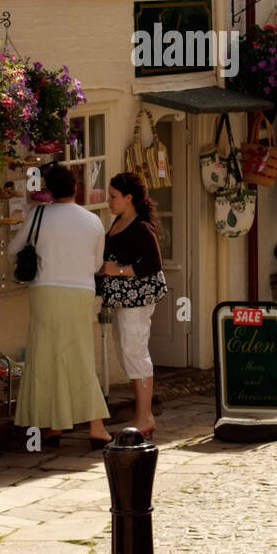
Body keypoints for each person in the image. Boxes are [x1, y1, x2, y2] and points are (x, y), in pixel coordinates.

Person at [8, 163, 111, 448]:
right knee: (79, 356)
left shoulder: (38, 215)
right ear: (76, 188)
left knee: (45, 356)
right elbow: (95, 264)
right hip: (79, 294)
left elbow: (13, 249)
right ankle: (96, 427)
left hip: (45, 292)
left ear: (49, 191)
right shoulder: (92, 221)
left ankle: (51, 425)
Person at [101, 172, 165, 437]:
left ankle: (144, 416)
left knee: (135, 351)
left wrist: (119, 270)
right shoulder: (119, 220)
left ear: (129, 198)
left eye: (113, 196)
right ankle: (142, 415)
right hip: (124, 300)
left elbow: (153, 264)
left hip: (136, 301)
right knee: (127, 351)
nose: (108, 200)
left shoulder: (140, 227)